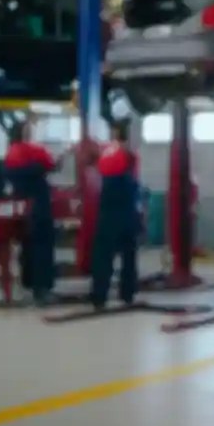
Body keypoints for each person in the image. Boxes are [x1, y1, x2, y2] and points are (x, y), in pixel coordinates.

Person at [4, 120, 61, 306]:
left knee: (27, 248)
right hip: (40, 207)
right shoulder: (36, 151)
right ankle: (42, 290)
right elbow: (52, 165)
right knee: (43, 247)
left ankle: (29, 284)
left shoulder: (11, 152)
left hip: (21, 208)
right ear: (25, 133)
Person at [90, 120, 140, 309]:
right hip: (125, 207)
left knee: (104, 253)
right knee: (128, 254)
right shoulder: (128, 153)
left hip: (112, 206)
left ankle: (99, 296)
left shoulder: (111, 151)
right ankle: (126, 294)